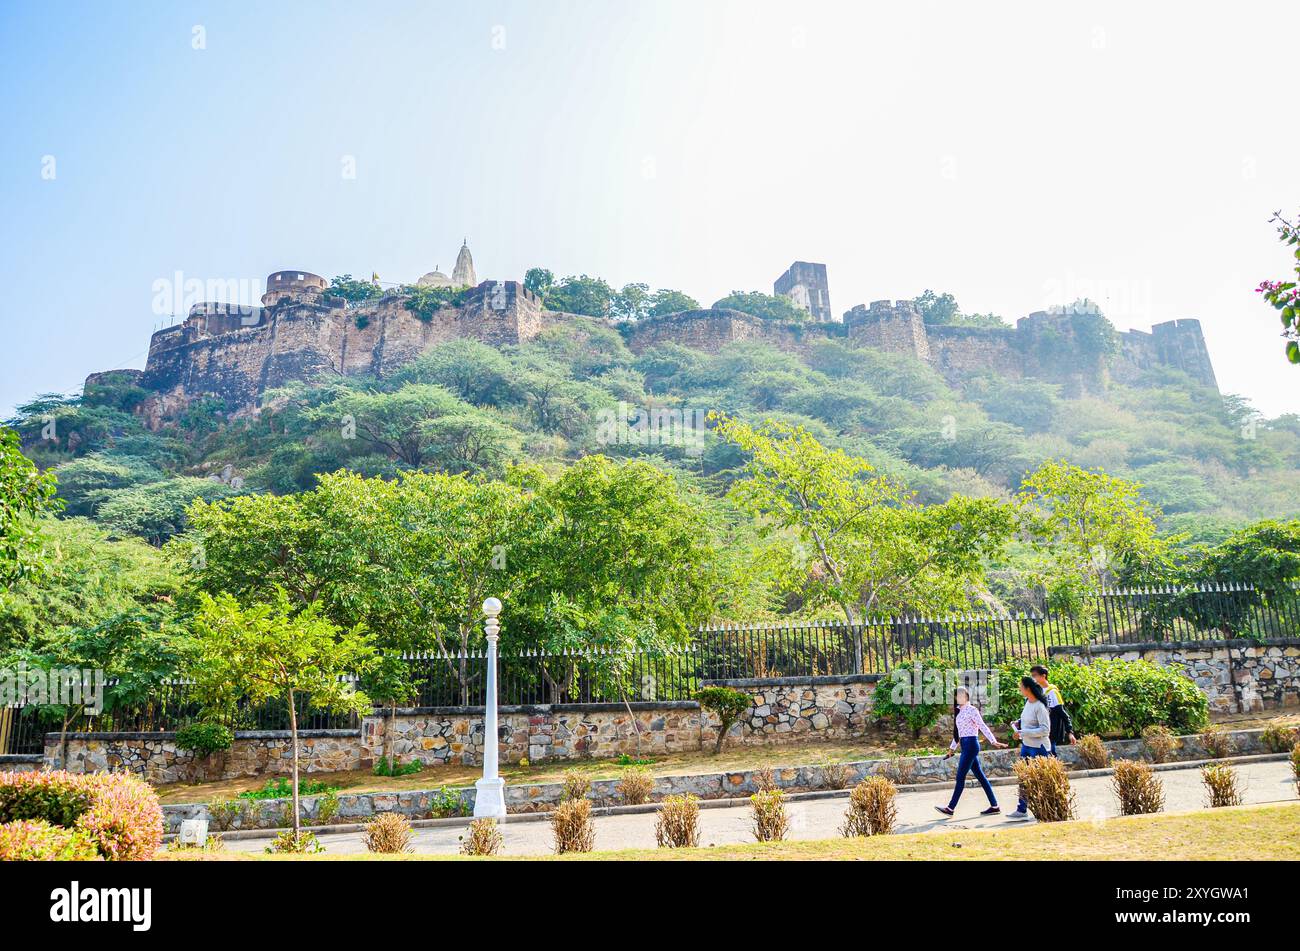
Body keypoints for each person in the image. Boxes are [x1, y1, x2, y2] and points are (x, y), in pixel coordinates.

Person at [934, 686, 1006, 817]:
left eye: (962, 695)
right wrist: (951, 749)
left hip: (972, 745)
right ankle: (995, 806)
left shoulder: (972, 710)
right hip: (965, 745)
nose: (959, 698)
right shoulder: (959, 712)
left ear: (967, 696)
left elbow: (982, 726)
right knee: (981, 777)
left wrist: (993, 741)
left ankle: (950, 808)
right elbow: (958, 734)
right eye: (957, 696)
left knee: (960, 777)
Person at [1007, 676, 1052, 820]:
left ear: (1027, 689)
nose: (1019, 688)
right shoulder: (1028, 702)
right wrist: (1019, 723)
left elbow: (1045, 730)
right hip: (1026, 746)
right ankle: (1021, 809)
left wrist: (1023, 732)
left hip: (1039, 748)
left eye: (1021, 686)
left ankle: (1048, 809)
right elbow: (1028, 719)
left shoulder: (1040, 706)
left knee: (1041, 780)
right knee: (1024, 778)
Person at [1030, 664, 1076, 755]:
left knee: (1049, 754)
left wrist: (1070, 732)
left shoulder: (1052, 692)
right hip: (1038, 730)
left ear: (1043, 676)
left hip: (1051, 730)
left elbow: (1062, 713)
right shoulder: (1035, 692)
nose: (1033, 678)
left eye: (1035, 675)